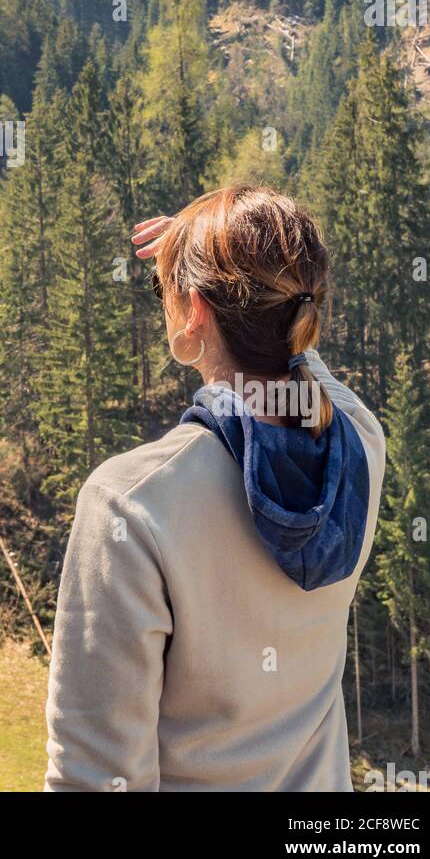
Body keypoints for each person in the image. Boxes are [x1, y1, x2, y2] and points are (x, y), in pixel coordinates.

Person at [44, 185, 385, 792]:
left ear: (195, 311)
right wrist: (226, 256)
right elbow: (303, 359)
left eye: (167, 292)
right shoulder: (359, 446)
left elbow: (95, 778)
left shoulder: (131, 503)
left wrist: (206, 249)